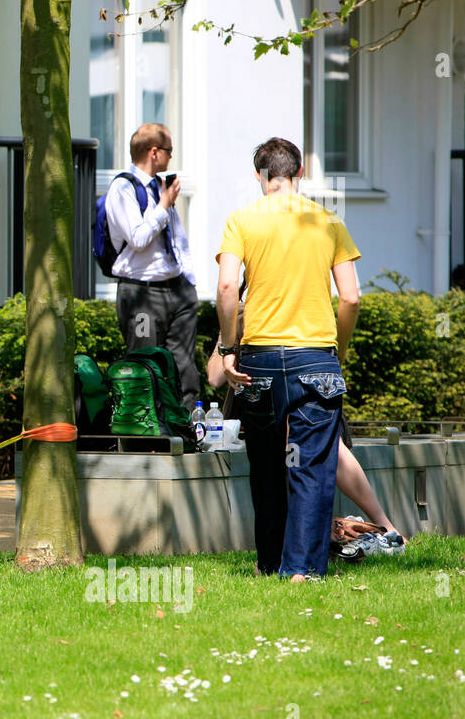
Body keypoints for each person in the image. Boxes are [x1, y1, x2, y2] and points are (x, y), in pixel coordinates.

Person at [217, 137, 361, 581]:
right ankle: (302, 570)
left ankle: (269, 563)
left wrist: (226, 348)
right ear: (299, 175)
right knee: (313, 467)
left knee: (265, 465)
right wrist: (338, 348)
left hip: (258, 359)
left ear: (262, 177)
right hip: (315, 358)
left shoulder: (241, 220)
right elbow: (351, 297)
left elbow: (226, 289)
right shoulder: (328, 222)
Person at [205, 283, 403, 550]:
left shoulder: (295, 318)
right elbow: (213, 377)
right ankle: (297, 542)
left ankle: (385, 526)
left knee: (316, 439)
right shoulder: (240, 325)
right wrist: (228, 333)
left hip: (303, 415)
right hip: (256, 420)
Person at [106, 123, 200, 406]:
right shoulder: (123, 188)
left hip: (177, 289)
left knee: (183, 366)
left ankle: (184, 428)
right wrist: (163, 205)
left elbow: (178, 239)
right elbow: (138, 238)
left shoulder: (159, 187)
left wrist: (189, 281)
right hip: (142, 292)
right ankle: (148, 433)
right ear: (154, 152)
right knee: (145, 365)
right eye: (169, 151)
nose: (172, 158)